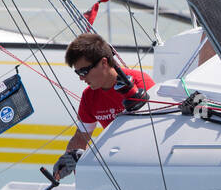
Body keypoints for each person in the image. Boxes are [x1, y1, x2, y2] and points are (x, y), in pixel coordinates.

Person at [52, 32, 155, 181]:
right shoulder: (89, 96)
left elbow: (151, 135)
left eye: (84, 71)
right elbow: (81, 138)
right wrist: (68, 157)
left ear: (104, 63)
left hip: (146, 165)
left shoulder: (140, 82)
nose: (81, 78)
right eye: (77, 73)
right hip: (118, 165)